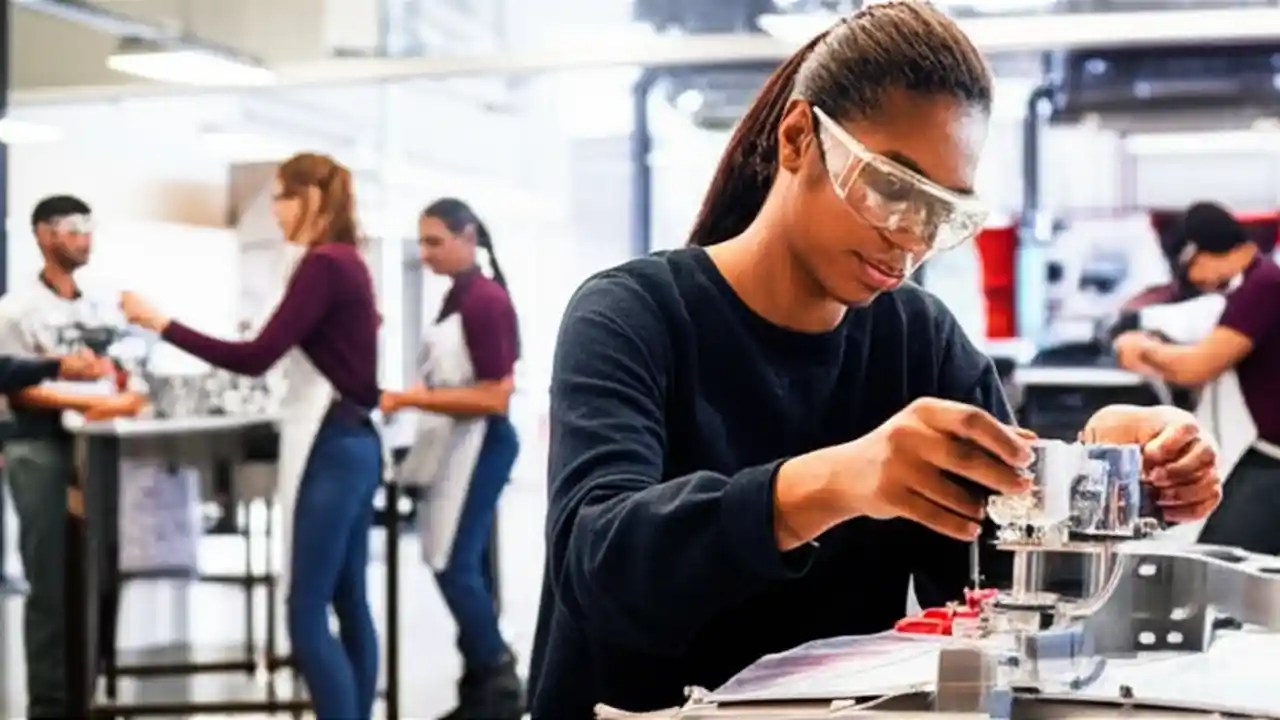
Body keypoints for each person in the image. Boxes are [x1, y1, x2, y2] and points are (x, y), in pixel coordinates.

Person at [527, 4, 1224, 717]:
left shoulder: (918, 339)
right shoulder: (633, 316)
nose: (909, 241)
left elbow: (993, 565)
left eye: (939, 211)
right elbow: (601, 564)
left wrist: (1101, 477)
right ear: (799, 137)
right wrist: (833, 482)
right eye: (892, 187)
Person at [119, 153, 383, 720]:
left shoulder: (324, 265)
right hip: (358, 444)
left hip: (332, 450)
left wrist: (162, 323)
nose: (275, 211)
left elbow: (257, 356)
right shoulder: (349, 262)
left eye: (282, 197)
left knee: (306, 611)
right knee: (348, 601)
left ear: (310, 198)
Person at [0, 194, 146, 718]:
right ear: (42, 234)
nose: (82, 238)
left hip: (98, 442)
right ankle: (50, 705)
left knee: (97, 575)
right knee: (50, 582)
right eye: (70, 228)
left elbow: (119, 371)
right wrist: (66, 377)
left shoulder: (98, 306)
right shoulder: (16, 309)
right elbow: (11, 384)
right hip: (39, 446)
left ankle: (88, 690)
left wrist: (121, 390)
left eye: (89, 227)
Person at [380, 198, 522, 720]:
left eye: (435, 241)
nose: (425, 253)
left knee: (455, 567)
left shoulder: (485, 302)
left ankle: (499, 679)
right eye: (421, 242)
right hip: (458, 446)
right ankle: (479, 690)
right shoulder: (458, 299)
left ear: (468, 238)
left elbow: (492, 397)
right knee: (462, 567)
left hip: (482, 445)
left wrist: (411, 399)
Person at [1114, 201, 1280, 554]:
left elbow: (1197, 366)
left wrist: (1143, 348)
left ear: (1199, 255)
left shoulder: (1264, 285)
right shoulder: (1255, 283)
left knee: (1224, 557)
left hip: (1274, 460)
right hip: (1267, 451)